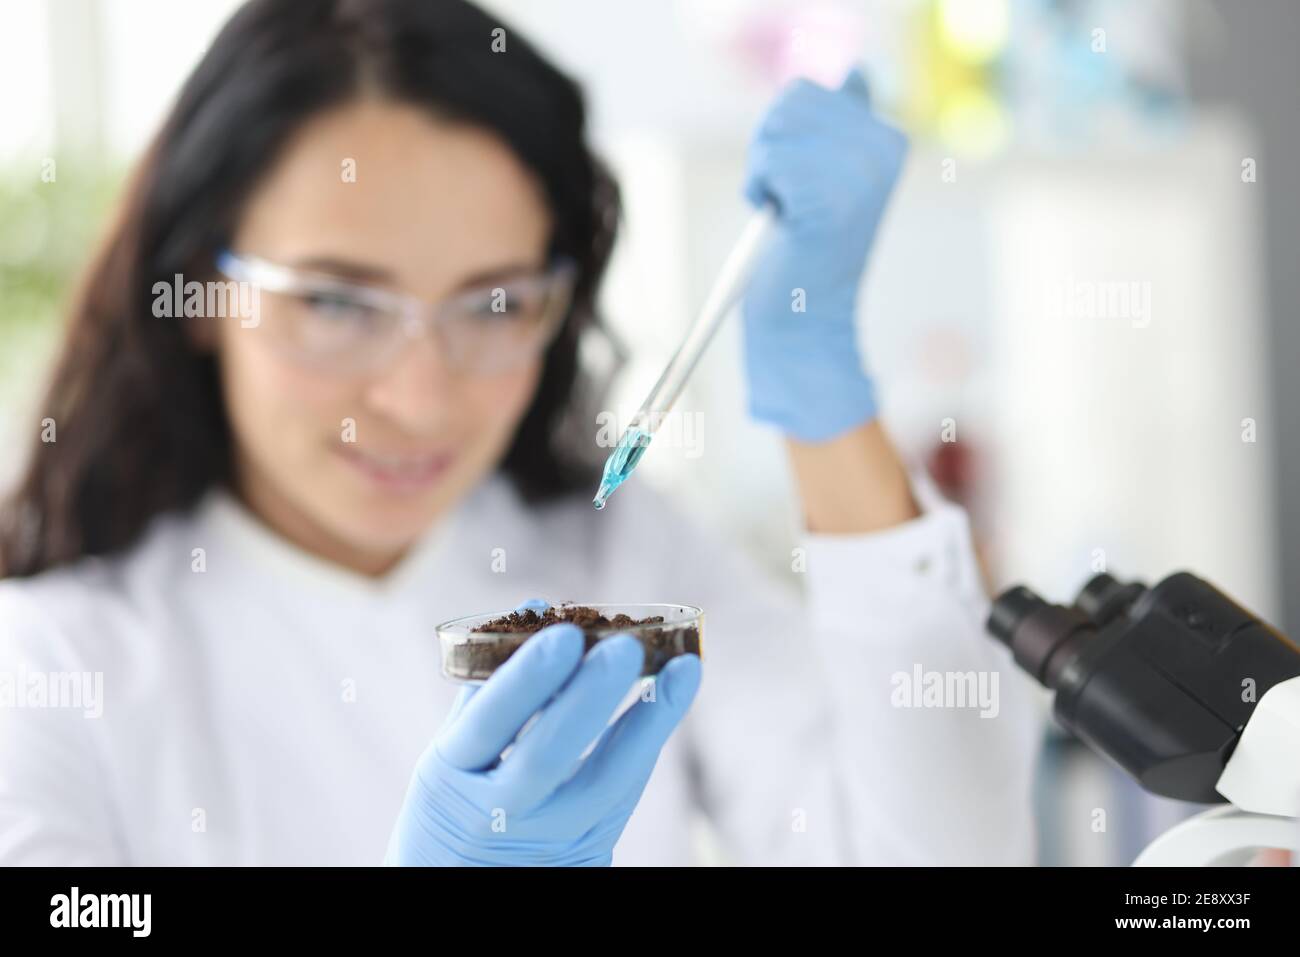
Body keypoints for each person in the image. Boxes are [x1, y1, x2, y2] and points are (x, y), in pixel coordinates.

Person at [0, 0, 1038, 866]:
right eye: (337, 303)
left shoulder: (625, 552)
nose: (419, 397)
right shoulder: (53, 664)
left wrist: (822, 398)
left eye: (493, 307)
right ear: (196, 292)